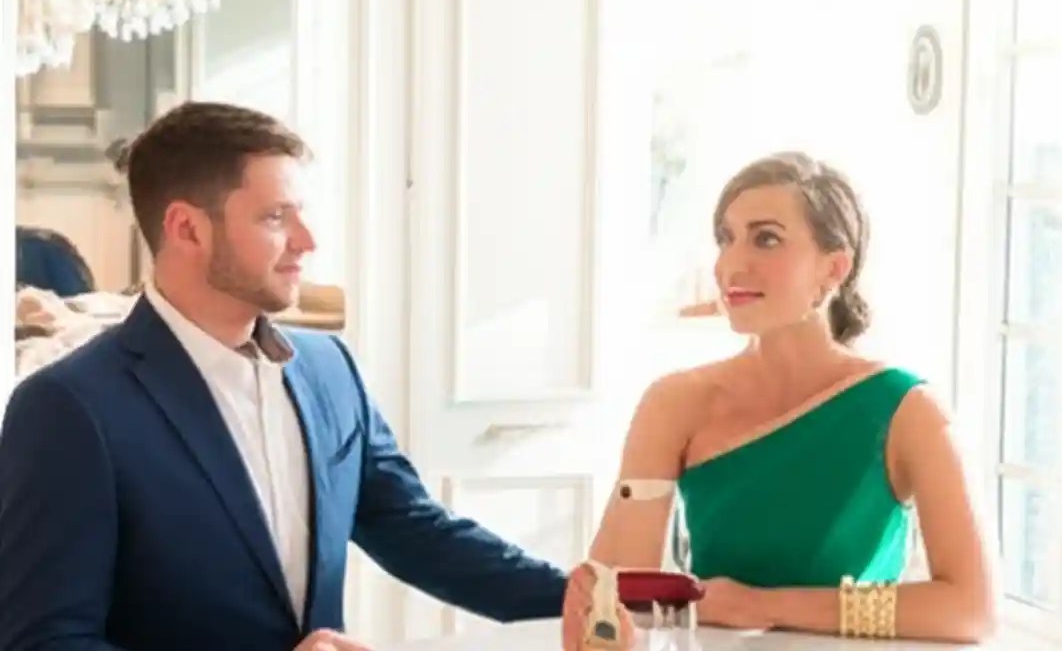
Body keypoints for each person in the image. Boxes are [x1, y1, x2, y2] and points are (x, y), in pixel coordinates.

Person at [0, 102, 568, 651]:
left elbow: (416, 531)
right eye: (276, 217)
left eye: (301, 213)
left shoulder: (330, 370)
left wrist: (580, 602)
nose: (307, 240)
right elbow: (45, 641)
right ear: (187, 229)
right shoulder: (68, 407)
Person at [562, 152, 995, 646]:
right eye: (726, 239)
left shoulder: (908, 410)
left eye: (766, 239)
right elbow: (617, 595)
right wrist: (601, 609)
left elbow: (970, 610)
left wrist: (760, 604)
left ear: (834, 269)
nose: (730, 264)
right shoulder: (674, 403)